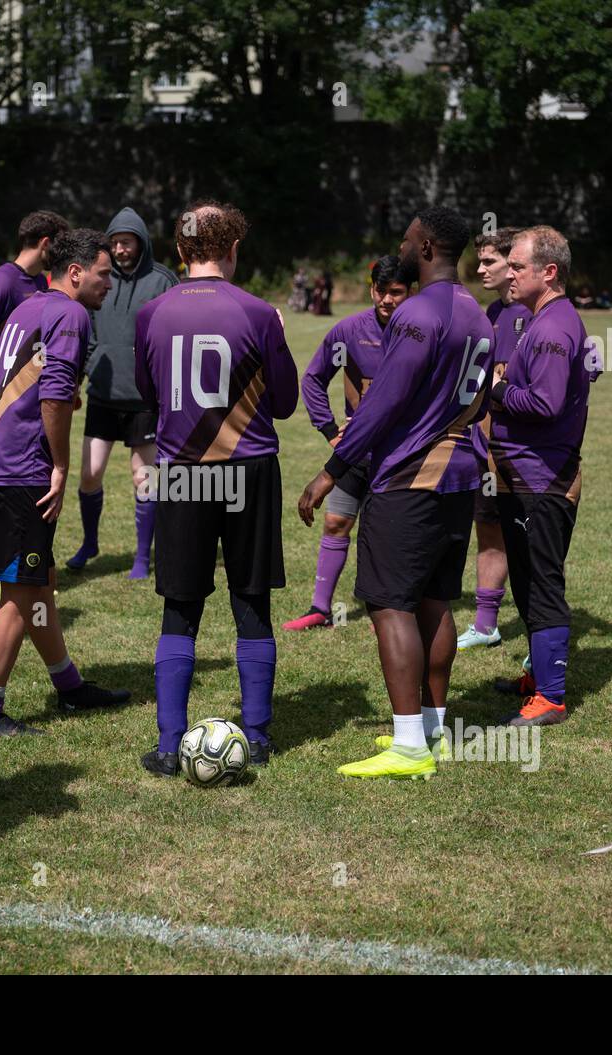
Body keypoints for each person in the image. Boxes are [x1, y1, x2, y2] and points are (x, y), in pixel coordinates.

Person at [299, 206, 494, 780]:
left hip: (410, 478)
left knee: (389, 603)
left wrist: (330, 471)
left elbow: (382, 403)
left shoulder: (416, 314)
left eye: (408, 237)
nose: (402, 244)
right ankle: (433, 729)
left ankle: (409, 746)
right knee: (435, 600)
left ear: (427, 243)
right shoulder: (475, 314)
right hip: (461, 474)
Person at [134, 200, 299, 777]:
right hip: (248, 468)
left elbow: (149, 402)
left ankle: (167, 744)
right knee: (250, 602)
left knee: (180, 607)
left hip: (181, 471)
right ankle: (255, 736)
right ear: (233, 250)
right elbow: (283, 404)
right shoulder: (258, 313)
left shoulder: (149, 312)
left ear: (179, 252)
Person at [0, 228, 131, 738]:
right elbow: (56, 395)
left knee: (38, 583)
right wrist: (60, 465)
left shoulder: (31, 306)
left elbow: (30, 380)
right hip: (19, 470)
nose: (111, 283)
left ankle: (70, 686)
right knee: (18, 593)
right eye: (105, 274)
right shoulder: (72, 313)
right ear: (77, 273)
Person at [487, 225, 595, 728]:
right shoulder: (542, 319)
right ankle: (538, 677)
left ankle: (550, 697)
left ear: (548, 272)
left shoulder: (552, 327)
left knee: (543, 583)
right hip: (524, 475)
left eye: (517, 266)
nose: (508, 273)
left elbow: (546, 403)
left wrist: (497, 389)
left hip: (543, 481)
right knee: (527, 582)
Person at [284, 254, 408, 630]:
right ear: (372, 290)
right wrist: (329, 428)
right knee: (336, 522)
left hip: (401, 454)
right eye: (381, 291)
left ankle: (389, 610)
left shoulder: (418, 332)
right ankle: (321, 609)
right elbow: (313, 379)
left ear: (410, 293)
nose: (387, 300)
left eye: (397, 293)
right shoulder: (349, 330)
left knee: (387, 535)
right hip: (354, 452)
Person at [67, 207, 178, 578]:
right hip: (102, 394)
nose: (119, 248)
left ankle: (143, 558)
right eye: (114, 242)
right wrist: (79, 377)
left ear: (141, 243)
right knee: (90, 473)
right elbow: (85, 333)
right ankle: (89, 543)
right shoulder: (99, 277)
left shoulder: (163, 280)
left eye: (126, 242)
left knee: (144, 477)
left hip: (145, 400)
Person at [456, 227, 525, 651]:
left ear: (513, 263)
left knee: (531, 539)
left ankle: (542, 636)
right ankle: (486, 625)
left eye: (489, 262)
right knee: (489, 529)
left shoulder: (546, 312)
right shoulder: (491, 313)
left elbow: (586, 366)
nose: (480, 269)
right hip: (486, 447)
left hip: (526, 452)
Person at [0, 211, 70, 361]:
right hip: (7, 381)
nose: (60, 254)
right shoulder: (3, 279)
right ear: (46, 243)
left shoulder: (41, 280)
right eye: (58, 247)